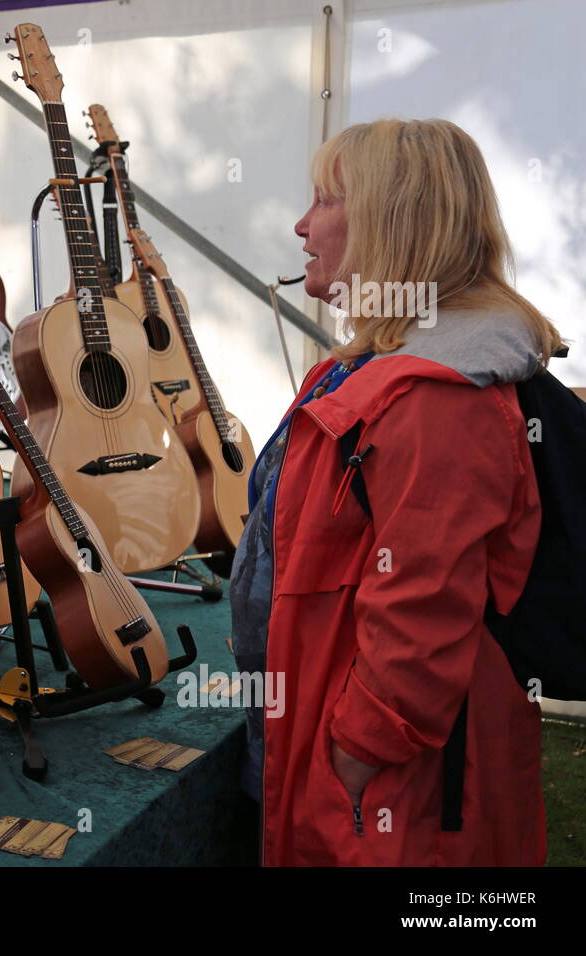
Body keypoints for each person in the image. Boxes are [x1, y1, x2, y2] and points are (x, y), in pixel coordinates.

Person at [230, 118, 562, 865]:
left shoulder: (441, 397)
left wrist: (357, 753)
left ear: (393, 221)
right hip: (323, 737)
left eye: (325, 202)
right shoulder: (371, 366)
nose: (301, 225)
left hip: (394, 792)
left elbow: (422, 607)